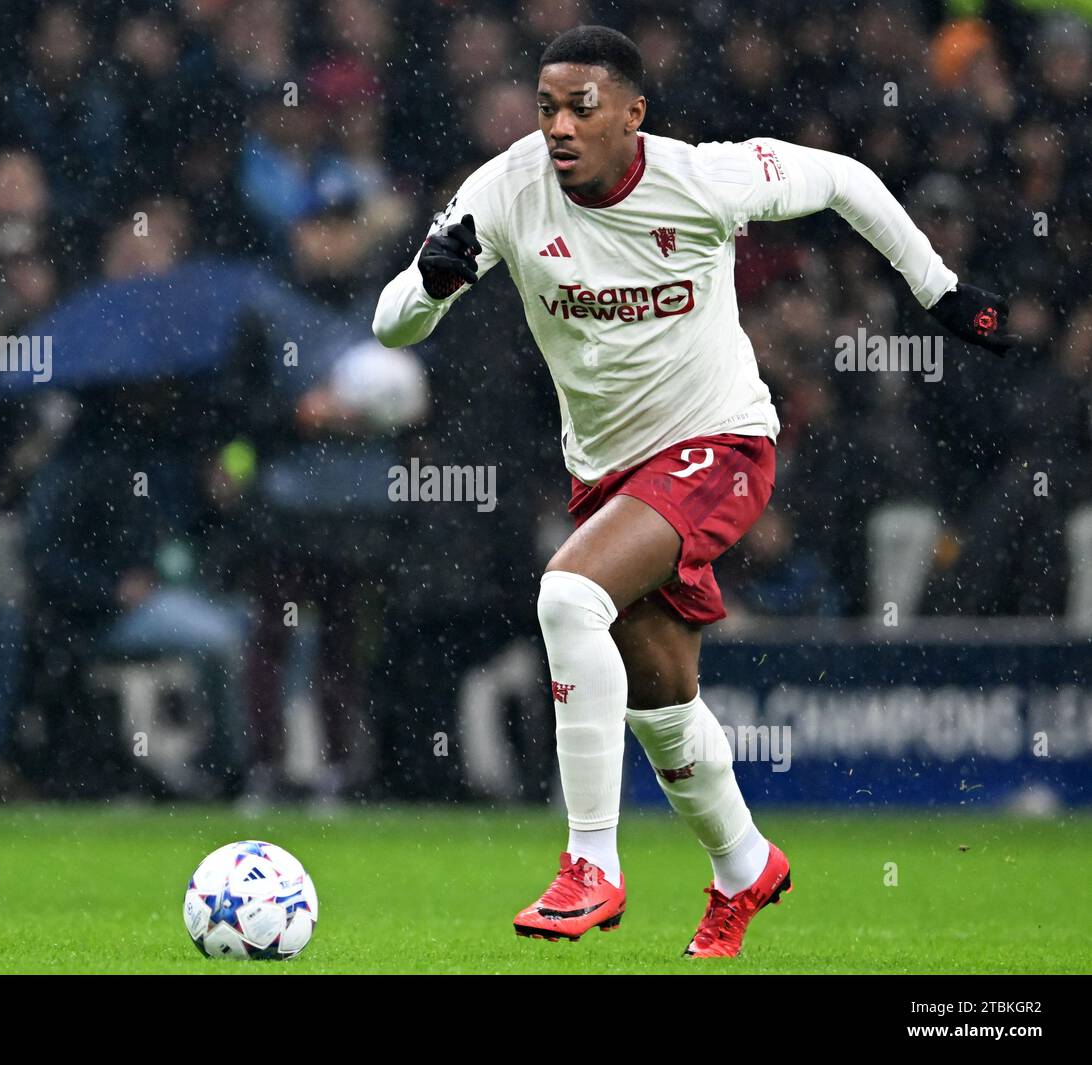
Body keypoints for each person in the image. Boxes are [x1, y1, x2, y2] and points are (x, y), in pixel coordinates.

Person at [373, 25, 1016, 957]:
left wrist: (940, 291)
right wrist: (430, 287)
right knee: (662, 704)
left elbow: (840, 178)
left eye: (581, 108)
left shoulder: (703, 179)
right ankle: (746, 865)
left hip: (718, 442)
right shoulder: (503, 190)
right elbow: (392, 325)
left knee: (566, 594)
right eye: (547, 105)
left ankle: (589, 862)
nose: (558, 126)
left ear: (633, 116)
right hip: (609, 472)